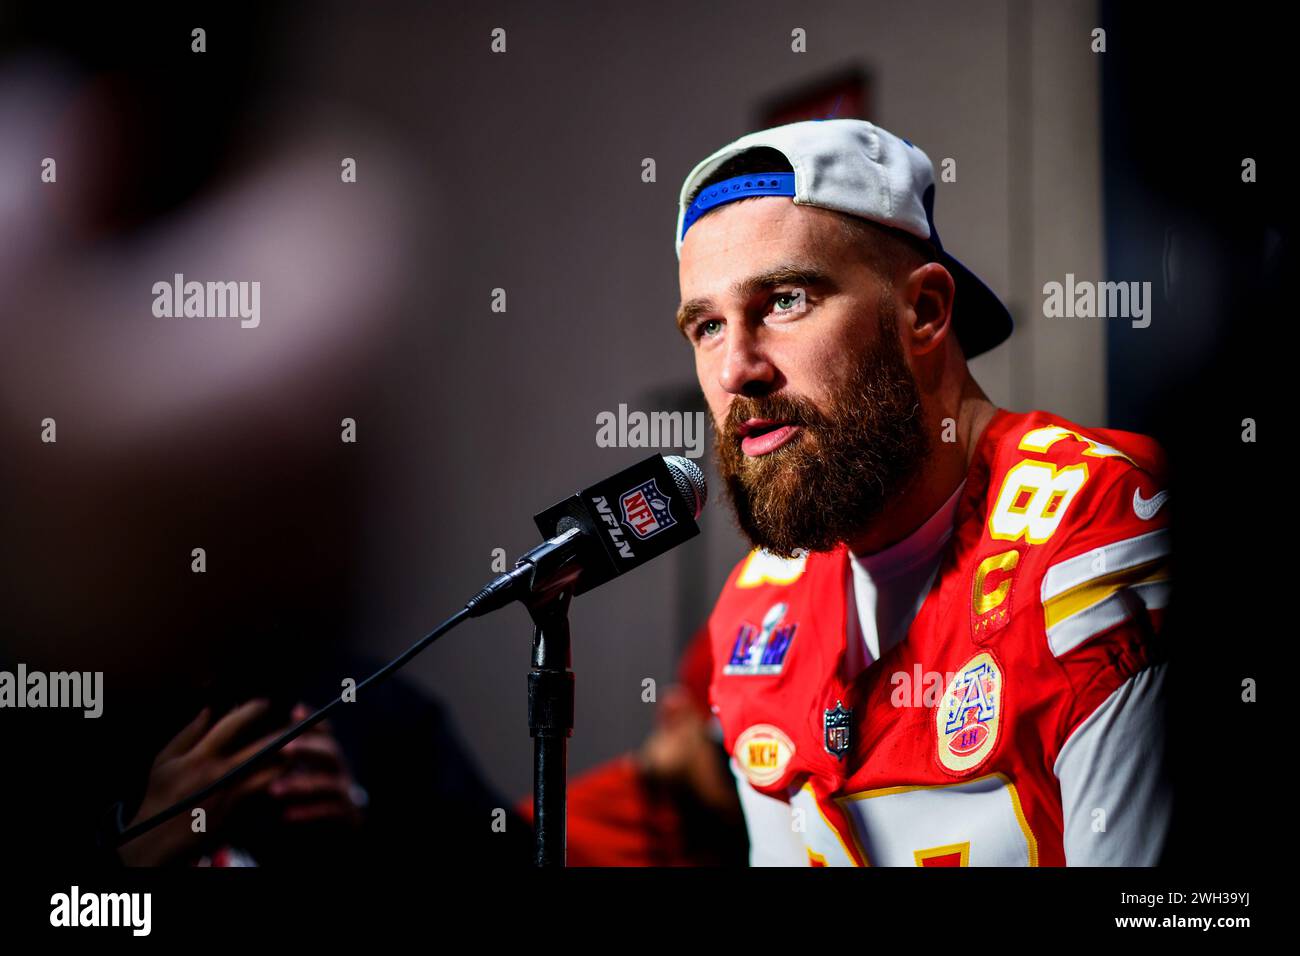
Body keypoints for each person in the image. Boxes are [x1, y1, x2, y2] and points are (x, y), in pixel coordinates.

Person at [673, 119, 1171, 866]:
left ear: (927, 313)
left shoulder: (1098, 530)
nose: (737, 368)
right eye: (708, 325)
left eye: (784, 300)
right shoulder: (755, 616)